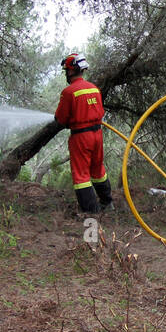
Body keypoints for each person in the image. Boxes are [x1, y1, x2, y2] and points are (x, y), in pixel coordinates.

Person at [54, 53, 113, 215]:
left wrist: (62, 120)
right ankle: (107, 203)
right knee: (98, 170)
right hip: (97, 134)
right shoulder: (94, 88)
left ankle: (91, 211)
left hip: (81, 137)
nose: (66, 73)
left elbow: (61, 118)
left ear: (71, 70)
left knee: (81, 175)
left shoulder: (69, 92)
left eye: (66, 70)